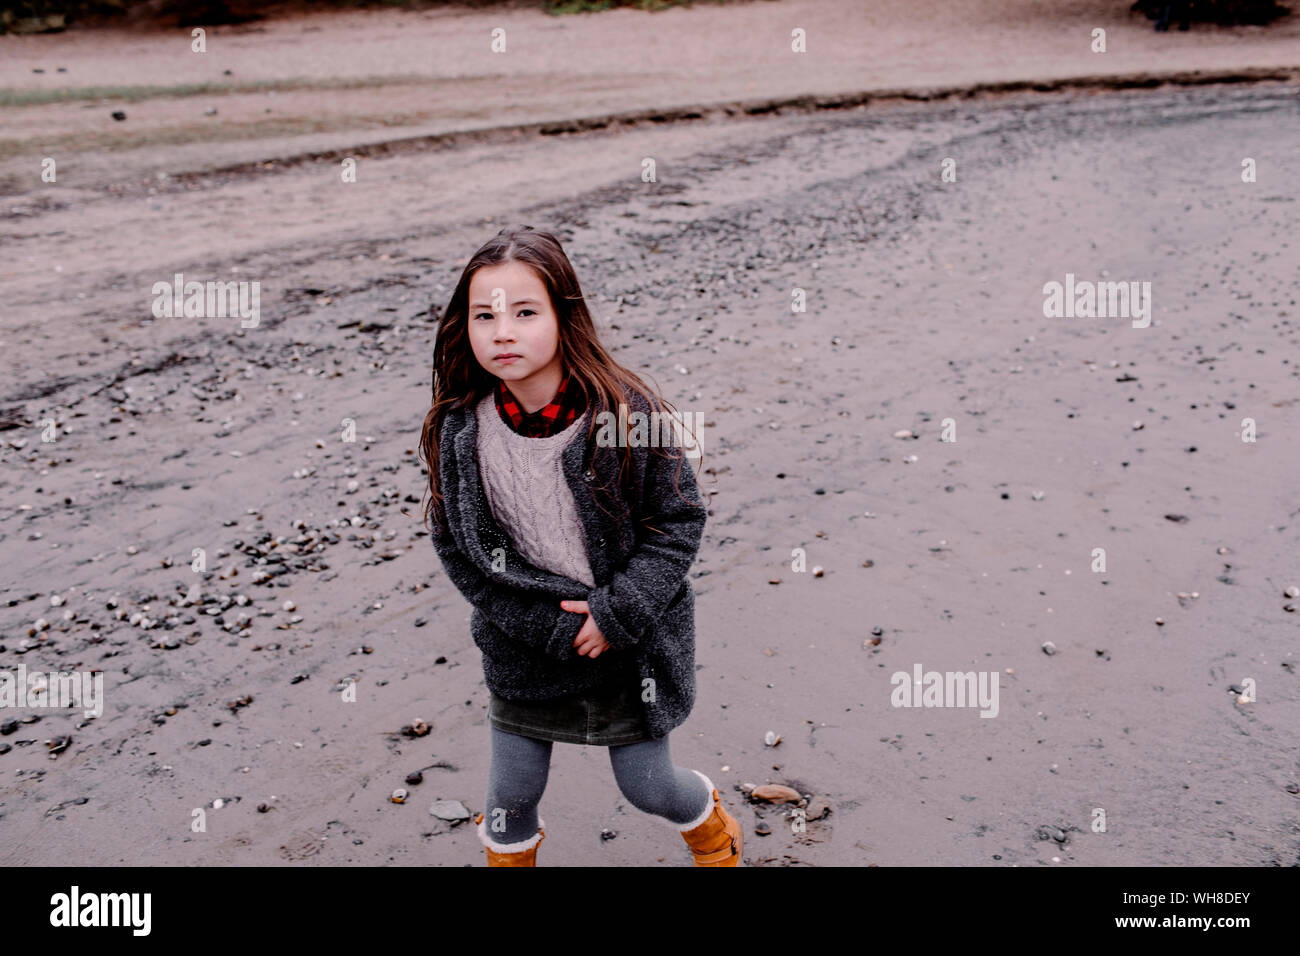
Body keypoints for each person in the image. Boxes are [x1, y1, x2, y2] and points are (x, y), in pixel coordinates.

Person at [417, 224, 743, 866]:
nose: (502, 331)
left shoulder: (626, 415)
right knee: (509, 804)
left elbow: (679, 522)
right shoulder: (461, 429)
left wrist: (616, 613)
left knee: (649, 787)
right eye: (484, 315)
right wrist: (536, 623)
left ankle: (712, 831)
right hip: (525, 645)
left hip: (630, 642)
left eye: (524, 312)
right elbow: (460, 551)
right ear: (466, 326)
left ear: (566, 318)